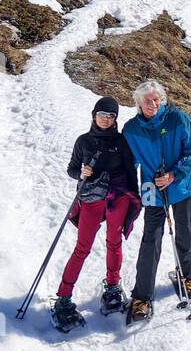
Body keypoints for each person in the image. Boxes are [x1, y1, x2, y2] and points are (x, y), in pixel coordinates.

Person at [51, 96, 142, 331]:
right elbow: (71, 169)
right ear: (94, 115)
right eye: (102, 114)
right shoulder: (83, 141)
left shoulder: (122, 142)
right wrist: (81, 172)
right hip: (92, 199)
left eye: (111, 116)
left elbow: (133, 166)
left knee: (114, 243)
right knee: (83, 247)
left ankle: (113, 286)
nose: (106, 119)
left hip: (118, 197)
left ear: (115, 119)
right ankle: (63, 296)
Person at [122, 79, 191, 324]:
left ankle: (186, 276)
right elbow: (127, 164)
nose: (153, 104)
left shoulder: (178, 119)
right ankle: (142, 296)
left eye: (156, 99)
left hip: (182, 183)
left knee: (186, 232)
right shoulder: (131, 130)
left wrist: (173, 175)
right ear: (138, 103)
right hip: (150, 187)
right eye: (147, 101)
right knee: (151, 239)